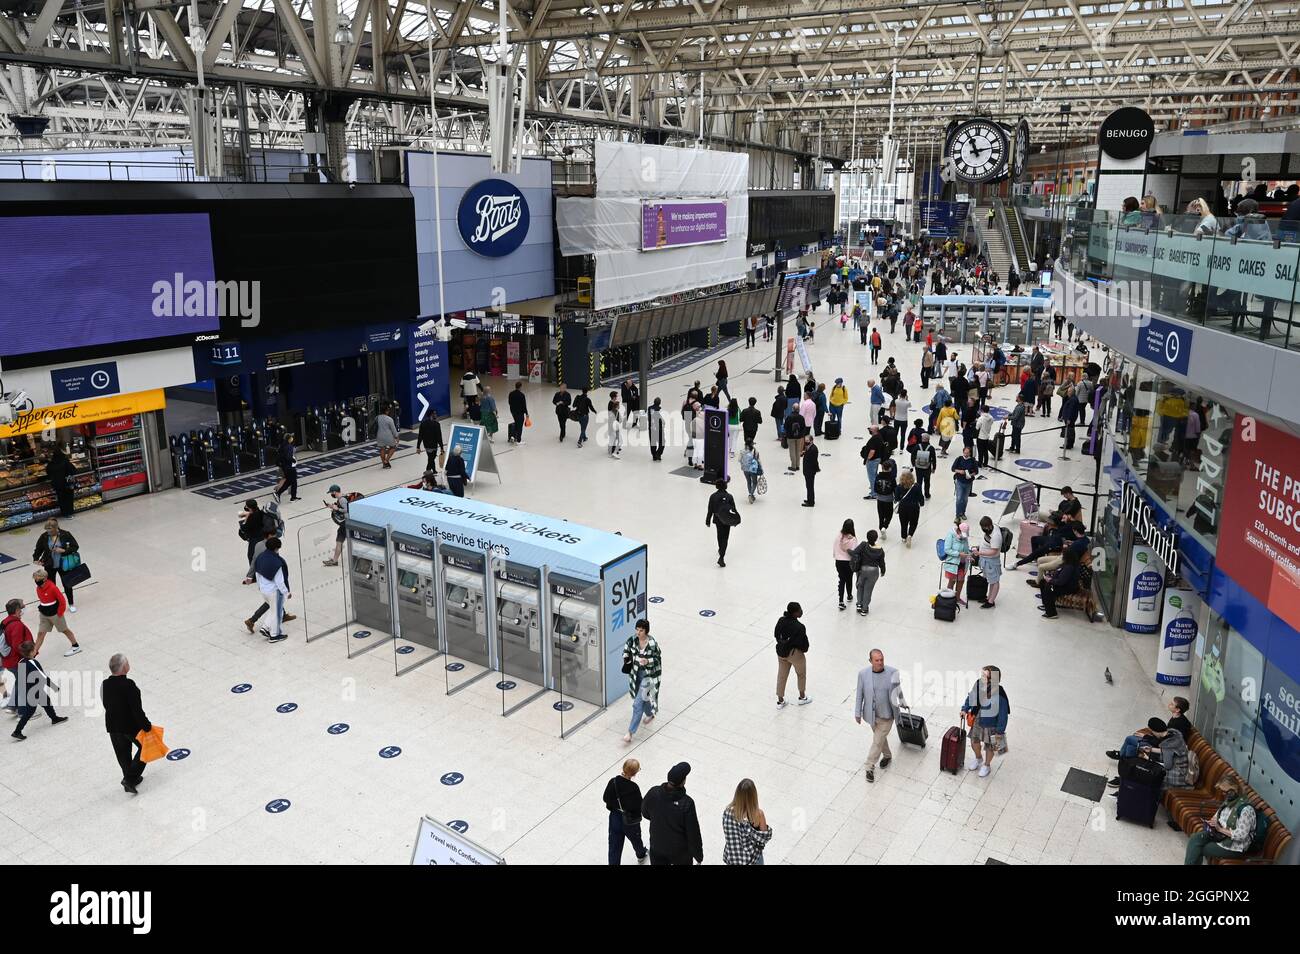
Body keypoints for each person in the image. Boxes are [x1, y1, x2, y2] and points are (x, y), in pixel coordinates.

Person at [854, 648, 905, 783]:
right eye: (877, 660)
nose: (880, 662)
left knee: (877, 741)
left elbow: (898, 690)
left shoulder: (892, 672)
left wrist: (902, 701)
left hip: (888, 715)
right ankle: (887, 755)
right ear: (870, 661)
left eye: (882, 659)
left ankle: (869, 767)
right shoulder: (863, 674)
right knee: (880, 739)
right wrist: (857, 712)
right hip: (872, 715)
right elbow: (860, 694)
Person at [102, 653, 151, 793]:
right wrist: (147, 726)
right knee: (145, 747)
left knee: (122, 753)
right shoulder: (129, 685)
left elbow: (106, 704)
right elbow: (137, 710)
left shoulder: (105, 684)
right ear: (124, 667)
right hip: (129, 726)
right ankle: (129, 779)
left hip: (112, 725)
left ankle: (130, 779)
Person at [1184, 778, 1258, 865]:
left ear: (1235, 789)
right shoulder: (1229, 801)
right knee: (1194, 839)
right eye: (1222, 791)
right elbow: (1217, 816)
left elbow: (1241, 836)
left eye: (1226, 791)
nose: (1224, 794)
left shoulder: (1246, 810)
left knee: (1201, 848)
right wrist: (1212, 822)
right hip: (1219, 835)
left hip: (1235, 846)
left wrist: (1220, 829)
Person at [641, 762, 703, 866]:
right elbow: (693, 833)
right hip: (680, 853)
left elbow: (645, 812)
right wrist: (698, 856)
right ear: (683, 782)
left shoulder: (654, 792)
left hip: (657, 846)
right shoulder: (687, 803)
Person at [10, 640, 68, 740]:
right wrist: (54, 687)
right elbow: (43, 677)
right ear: (32, 651)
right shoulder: (33, 662)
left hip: (27, 690)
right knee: (30, 711)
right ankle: (17, 731)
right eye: (35, 648)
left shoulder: (21, 661)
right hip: (34, 691)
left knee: (46, 702)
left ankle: (54, 718)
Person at [962, 666, 1010, 778]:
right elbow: (972, 696)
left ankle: (987, 765)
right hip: (978, 719)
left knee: (990, 746)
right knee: (974, 742)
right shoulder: (979, 684)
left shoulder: (1000, 694)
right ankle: (978, 758)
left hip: (992, 724)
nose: (982, 677)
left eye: (985, 676)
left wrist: (1000, 731)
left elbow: (1003, 714)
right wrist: (964, 709)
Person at [621, 619, 661, 743]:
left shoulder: (652, 643)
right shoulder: (632, 640)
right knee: (643, 698)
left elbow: (657, 659)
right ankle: (649, 714)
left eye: (641, 630)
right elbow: (626, 650)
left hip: (649, 676)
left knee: (637, 704)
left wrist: (647, 661)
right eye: (637, 629)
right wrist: (626, 657)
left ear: (646, 631)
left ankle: (630, 732)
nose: (638, 632)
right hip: (636, 673)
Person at [603, 759, 649, 865]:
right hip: (630, 820)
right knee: (636, 839)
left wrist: (614, 808)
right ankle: (641, 854)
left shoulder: (613, 781)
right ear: (634, 773)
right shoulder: (634, 788)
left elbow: (605, 798)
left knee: (614, 846)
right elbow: (638, 806)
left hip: (615, 817)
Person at [33, 518, 80, 613]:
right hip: (50, 565)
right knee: (51, 586)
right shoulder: (44, 536)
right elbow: (38, 549)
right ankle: (55, 604)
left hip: (64, 564)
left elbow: (75, 546)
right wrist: (36, 558)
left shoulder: (65, 534)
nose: (48, 532)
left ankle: (71, 604)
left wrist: (64, 551)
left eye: (50, 530)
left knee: (67, 584)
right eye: (47, 530)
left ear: (56, 528)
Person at [722, 779, 773, 865]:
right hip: (753, 859)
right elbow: (764, 838)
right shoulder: (758, 814)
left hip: (734, 857)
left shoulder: (728, 812)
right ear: (753, 795)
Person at [253, 537, 291, 642]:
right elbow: (280, 581)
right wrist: (286, 593)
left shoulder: (260, 557)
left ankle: (265, 628)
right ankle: (274, 635)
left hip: (264, 590)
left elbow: (257, 573)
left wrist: (260, 587)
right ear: (276, 548)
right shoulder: (276, 562)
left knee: (273, 610)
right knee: (277, 613)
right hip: (274, 592)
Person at [33, 569, 79, 657]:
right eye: (35, 579)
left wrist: (59, 613)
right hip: (44, 613)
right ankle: (33, 654)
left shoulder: (52, 587)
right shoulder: (38, 588)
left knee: (64, 630)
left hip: (55, 614)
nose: (36, 581)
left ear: (45, 578)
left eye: (38, 579)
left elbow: (62, 601)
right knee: (41, 633)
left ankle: (75, 646)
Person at [774, 601, 811, 708]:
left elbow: (776, 634)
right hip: (795, 654)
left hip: (781, 653)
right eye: (799, 610)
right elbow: (804, 645)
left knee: (781, 676)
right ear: (794, 613)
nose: (801, 611)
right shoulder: (799, 627)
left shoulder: (781, 620)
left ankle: (780, 701)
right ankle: (802, 697)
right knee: (801, 674)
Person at [2, 598, 31, 711]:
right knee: (25, 684)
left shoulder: (5, 622)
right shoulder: (16, 625)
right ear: (17, 610)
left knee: (20, 681)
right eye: (22, 608)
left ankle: (13, 706)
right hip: (17, 660)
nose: (23, 611)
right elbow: (17, 645)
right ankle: (23, 712)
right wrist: (28, 655)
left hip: (8, 660)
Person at [705, 479, 739, 567]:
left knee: (720, 536)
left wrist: (708, 520)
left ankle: (720, 549)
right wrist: (735, 520)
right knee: (725, 538)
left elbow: (710, 509)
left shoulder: (713, 496)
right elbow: (733, 509)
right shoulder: (729, 496)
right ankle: (721, 556)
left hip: (717, 519)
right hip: (727, 520)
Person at [851, 531, 886, 615]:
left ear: (867, 537)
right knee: (868, 590)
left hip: (863, 570)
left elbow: (854, 553)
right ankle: (864, 608)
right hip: (874, 571)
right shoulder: (880, 550)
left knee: (860, 586)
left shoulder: (863, 545)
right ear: (876, 538)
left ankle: (859, 604)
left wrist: (848, 550)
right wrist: (883, 570)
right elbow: (882, 563)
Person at [973, 516, 1005, 609]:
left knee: (994, 581)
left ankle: (991, 602)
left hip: (992, 562)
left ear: (989, 526)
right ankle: (988, 598)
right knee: (990, 580)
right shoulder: (992, 529)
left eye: (985, 528)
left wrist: (979, 553)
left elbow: (994, 551)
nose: (983, 530)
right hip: (986, 560)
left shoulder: (996, 536)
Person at [942, 520, 972, 606]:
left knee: (961, 581)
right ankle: (949, 600)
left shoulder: (965, 537)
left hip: (962, 564)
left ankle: (957, 598)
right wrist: (958, 554)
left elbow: (966, 548)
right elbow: (947, 549)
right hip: (953, 563)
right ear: (959, 530)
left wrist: (969, 555)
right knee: (952, 581)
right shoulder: (951, 534)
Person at [833, 521, 859, 611]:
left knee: (842, 580)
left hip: (839, 561)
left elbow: (834, 548)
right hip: (848, 562)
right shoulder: (853, 539)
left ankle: (840, 601)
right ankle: (849, 595)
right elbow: (855, 552)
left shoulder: (838, 536)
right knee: (849, 579)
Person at [45, 444, 77, 517]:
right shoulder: (65, 461)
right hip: (67, 483)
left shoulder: (51, 463)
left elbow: (47, 472)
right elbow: (73, 470)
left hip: (57, 484)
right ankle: (70, 512)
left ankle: (64, 513)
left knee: (61, 499)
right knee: (69, 498)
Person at [322, 484, 349, 566]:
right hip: (346, 523)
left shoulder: (342, 500)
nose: (331, 495)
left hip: (345, 523)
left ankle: (334, 561)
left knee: (339, 541)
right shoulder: (342, 498)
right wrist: (332, 506)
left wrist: (337, 508)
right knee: (339, 541)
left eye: (331, 493)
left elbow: (347, 509)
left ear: (334, 492)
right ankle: (334, 560)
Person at [952, 445, 978, 519]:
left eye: (967, 453)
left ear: (970, 453)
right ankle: (957, 515)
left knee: (965, 499)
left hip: (968, 482)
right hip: (959, 481)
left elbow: (976, 471)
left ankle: (963, 512)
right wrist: (959, 471)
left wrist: (970, 475)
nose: (965, 454)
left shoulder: (973, 460)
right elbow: (953, 468)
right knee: (959, 498)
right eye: (964, 453)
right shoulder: (959, 459)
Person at [416, 409, 445, 473]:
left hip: (426, 445)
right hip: (434, 445)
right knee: (431, 458)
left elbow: (420, 436)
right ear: (431, 415)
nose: (436, 415)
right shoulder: (437, 424)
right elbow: (439, 437)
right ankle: (427, 470)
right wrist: (442, 447)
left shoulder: (423, 424)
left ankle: (434, 470)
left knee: (431, 457)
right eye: (435, 414)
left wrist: (418, 446)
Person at [874, 457, 897, 538]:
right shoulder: (892, 478)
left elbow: (875, 488)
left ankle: (881, 529)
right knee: (889, 515)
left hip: (879, 499)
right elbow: (895, 489)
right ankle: (885, 526)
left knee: (881, 516)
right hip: (889, 500)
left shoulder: (877, 477)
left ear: (882, 467)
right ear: (890, 468)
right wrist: (896, 498)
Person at [861, 425, 886, 499]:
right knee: (874, 476)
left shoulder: (874, 439)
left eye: (870, 429)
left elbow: (872, 451)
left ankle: (873, 493)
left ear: (874, 430)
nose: (869, 431)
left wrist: (868, 459)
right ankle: (875, 490)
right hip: (877, 459)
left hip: (873, 460)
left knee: (872, 477)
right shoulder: (879, 436)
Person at [784, 403, 808, 472]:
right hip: (799, 437)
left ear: (792, 408)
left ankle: (793, 466)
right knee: (798, 451)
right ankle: (797, 465)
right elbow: (804, 427)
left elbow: (786, 427)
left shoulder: (789, 417)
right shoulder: (801, 417)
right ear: (798, 409)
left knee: (792, 451)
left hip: (790, 437)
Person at [274, 433, 299, 500]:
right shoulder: (289, 446)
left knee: (290, 481)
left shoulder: (282, 445)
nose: (292, 438)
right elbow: (288, 457)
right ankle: (279, 493)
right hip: (289, 467)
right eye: (291, 437)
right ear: (289, 439)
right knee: (293, 482)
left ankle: (292, 496)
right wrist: (293, 460)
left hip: (284, 467)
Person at [375, 404, 399, 469]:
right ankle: (386, 460)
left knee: (382, 449)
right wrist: (396, 437)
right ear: (386, 411)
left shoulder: (377, 417)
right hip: (388, 436)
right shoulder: (389, 419)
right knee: (393, 447)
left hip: (379, 435)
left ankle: (384, 464)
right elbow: (393, 429)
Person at [801, 435, 820, 507]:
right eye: (805, 441)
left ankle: (811, 502)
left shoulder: (813, 449)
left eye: (807, 441)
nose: (806, 443)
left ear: (811, 441)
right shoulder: (808, 447)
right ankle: (809, 499)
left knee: (810, 487)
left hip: (810, 471)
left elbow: (814, 461)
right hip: (807, 470)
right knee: (808, 486)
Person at [607, 391, 625, 460]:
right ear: (614, 397)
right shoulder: (614, 409)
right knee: (617, 440)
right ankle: (614, 452)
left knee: (613, 439)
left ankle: (610, 453)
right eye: (616, 396)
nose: (617, 397)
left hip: (611, 425)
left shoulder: (611, 405)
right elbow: (620, 420)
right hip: (614, 426)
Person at [647, 397, 666, 461]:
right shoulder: (659, 409)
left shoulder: (649, 408)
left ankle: (654, 455)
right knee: (662, 442)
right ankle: (658, 454)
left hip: (651, 428)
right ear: (660, 403)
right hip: (658, 429)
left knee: (653, 442)